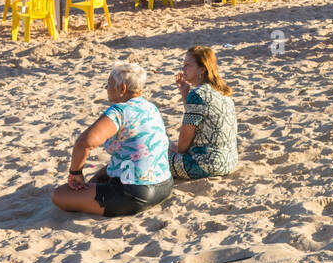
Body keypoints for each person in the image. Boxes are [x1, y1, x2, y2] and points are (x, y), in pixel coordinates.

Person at [51, 62, 173, 217]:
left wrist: (75, 173)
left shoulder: (120, 111)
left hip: (136, 193)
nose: (106, 88)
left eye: (109, 84)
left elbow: (84, 143)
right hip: (164, 185)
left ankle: (90, 192)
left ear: (122, 89)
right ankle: (90, 188)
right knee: (105, 171)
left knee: (59, 195)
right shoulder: (150, 107)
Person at [169, 46, 238, 180]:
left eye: (187, 65)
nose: (183, 69)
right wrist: (184, 93)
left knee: (152, 154)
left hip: (205, 164)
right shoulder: (222, 91)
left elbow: (185, 137)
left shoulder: (198, 94)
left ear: (202, 69)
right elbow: (195, 117)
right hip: (229, 161)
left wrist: (177, 152)